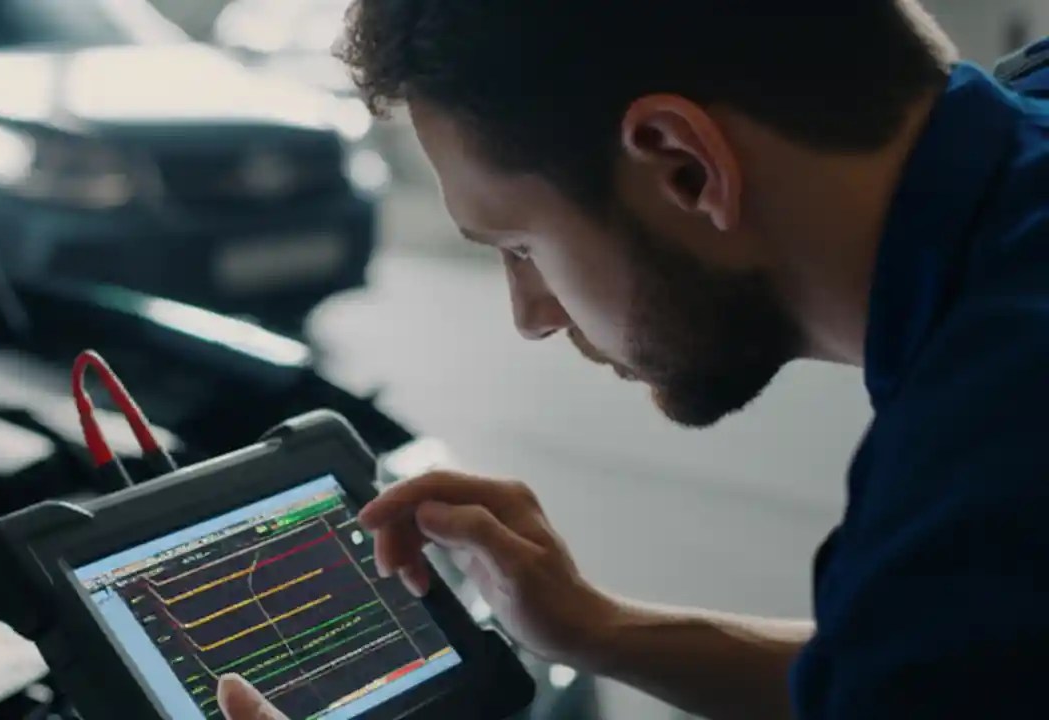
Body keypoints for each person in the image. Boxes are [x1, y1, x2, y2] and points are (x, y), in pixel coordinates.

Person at [217, 1, 1049, 718]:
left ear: (682, 168)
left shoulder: (980, 465)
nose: (531, 316)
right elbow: (943, 672)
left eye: (519, 245)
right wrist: (597, 630)